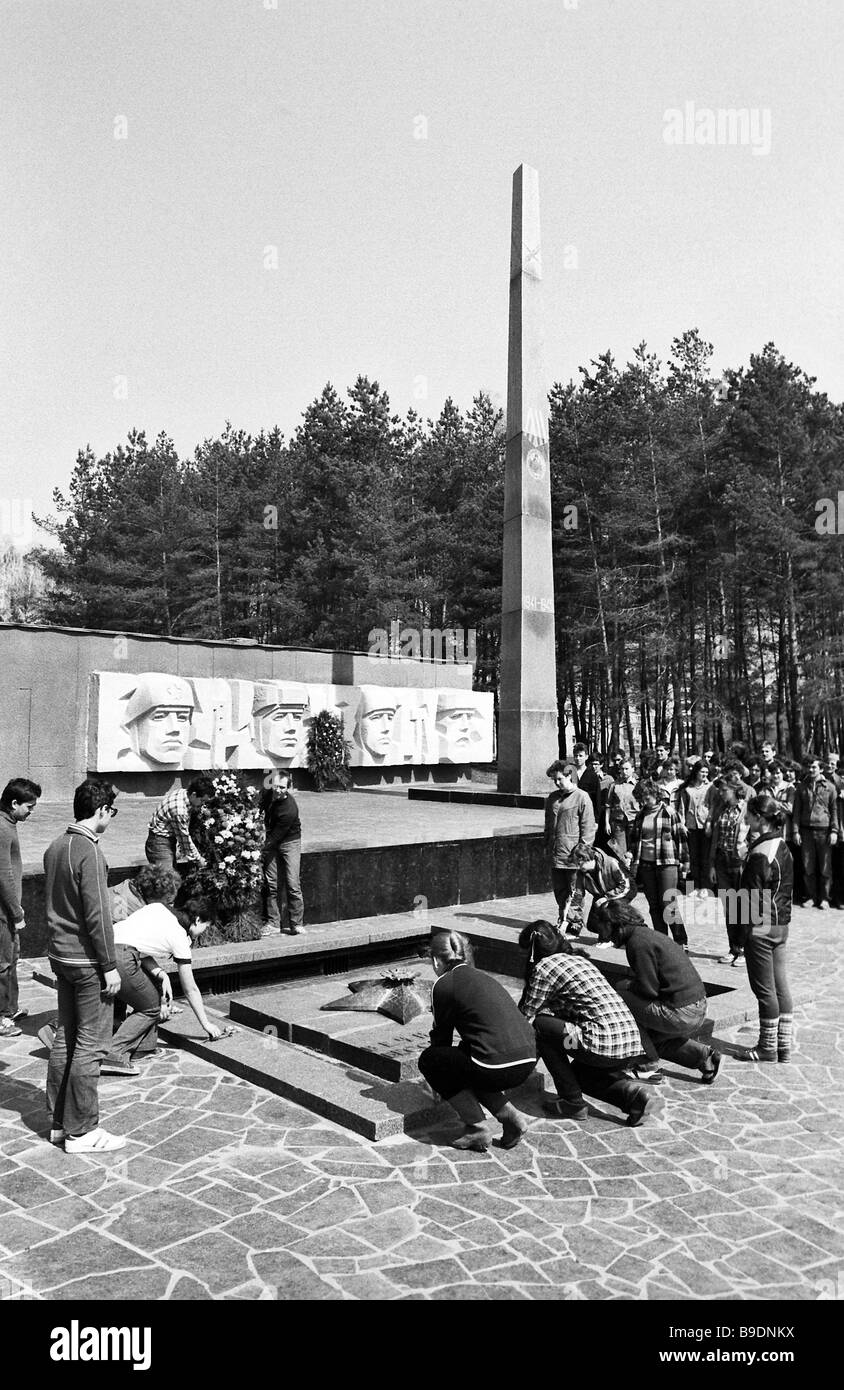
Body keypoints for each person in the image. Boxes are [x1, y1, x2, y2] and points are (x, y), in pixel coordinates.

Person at [43, 779, 125, 1153]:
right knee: (91, 1046)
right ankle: (83, 1131)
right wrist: (109, 964)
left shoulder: (56, 846)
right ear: (102, 810)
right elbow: (98, 915)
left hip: (60, 956)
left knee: (66, 1039)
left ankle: (59, 1124)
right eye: (113, 811)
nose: (112, 817)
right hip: (88, 960)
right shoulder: (89, 851)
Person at [517, 921, 658, 1126]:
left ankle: (572, 1102)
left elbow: (525, 1015)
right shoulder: (580, 960)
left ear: (531, 951)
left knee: (541, 1026)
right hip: (628, 1046)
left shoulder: (545, 967)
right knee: (580, 1076)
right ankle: (634, 1098)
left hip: (599, 1045)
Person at [417, 930, 536, 1152]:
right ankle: (511, 1117)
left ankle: (477, 1128)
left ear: (435, 961)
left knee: (431, 1060)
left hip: (495, 1066)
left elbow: (441, 1039)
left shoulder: (444, 984)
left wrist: (440, 1083)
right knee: (467, 1057)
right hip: (528, 1060)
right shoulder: (485, 976)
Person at [598, 901, 721, 1085]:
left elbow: (648, 989)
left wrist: (626, 985)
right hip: (696, 1006)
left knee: (619, 1000)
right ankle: (705, 1057)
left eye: (603, 929)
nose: (604, 936)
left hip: (682, 1012)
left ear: (611, 924)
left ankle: (647, 1067)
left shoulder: (637, 943)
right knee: (649, 1038)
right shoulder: (646, 935)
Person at [106, 893, 228, 1065]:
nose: (203, 933)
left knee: (149, 994)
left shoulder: (158, 907)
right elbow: (190, 988)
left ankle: (143, 1049)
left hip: (105, 950)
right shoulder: (179, 936)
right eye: (206, 927)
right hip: (122, 958)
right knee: (150, 1008)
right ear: (198, 920)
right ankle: (113, 1055)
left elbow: (138, 943)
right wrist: (206, 1023)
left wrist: (161, 974)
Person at [738, 794, 794, 1063]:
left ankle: (766, 1048)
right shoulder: (782, 844)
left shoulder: (760, 853)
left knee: (765, 990)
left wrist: (740, 935)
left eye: (748, 815)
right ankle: (783, 1046)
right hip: (781, 924)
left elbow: (749, 899)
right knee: (781, 986)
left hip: (760, 926)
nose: (745, 819)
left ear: (759, 818)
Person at [0, 778, 41, 1037]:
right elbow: (3, 874)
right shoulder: (2, 829)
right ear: (14, 803)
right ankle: (2, 1017)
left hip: (10, 909)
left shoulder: (9, 824)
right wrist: (16, 911)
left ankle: (10, 1007)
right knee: (3, 963)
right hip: (3, 911)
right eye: (29, 806)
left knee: (12, 958)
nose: (31, 811)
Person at [627, 778, 690, 947]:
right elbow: (634, 839)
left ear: (655, 794)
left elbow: (681, 840)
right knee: (654, 905)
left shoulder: (669, 812)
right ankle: (662, 941)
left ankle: (680, 940)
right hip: (646, 864)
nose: (644, 802)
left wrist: (685, 864)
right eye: (641, 798)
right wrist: (631, 854)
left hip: (667, 862)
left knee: (668, 903)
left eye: (647, 797)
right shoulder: (641, 815)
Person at [544, 761, 596, 935]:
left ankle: (574, 922)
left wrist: (582, 853)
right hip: (556, 853)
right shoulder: (552, 797)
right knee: (560, 890)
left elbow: (588, 829)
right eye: (554, 780)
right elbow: (548, 826)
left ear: (569, 776)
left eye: (559, 779)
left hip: (573, 855)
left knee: (576, 891)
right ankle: (563, 918)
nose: (556, 783)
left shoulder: (582, 797)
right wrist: (546, 846)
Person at [707, 771, 749, 964]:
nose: (721, 793)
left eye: (724, 790)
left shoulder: (745, 810)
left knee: (742, 907)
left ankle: (744, 950)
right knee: (729, 908)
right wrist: (712, 865)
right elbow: (715, 839)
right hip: (722, 862)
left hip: (740, 864)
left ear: (734, 790)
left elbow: (751, 837)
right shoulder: (720, 809)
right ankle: (733, 948)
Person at [260, 770, 305, 935]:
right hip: (272, 839)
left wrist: (260, 849)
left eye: (282, 787)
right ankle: (273, 923)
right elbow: (260, 808)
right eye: (276, 786)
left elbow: (277, 836)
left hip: (289, 842)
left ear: (288, 788)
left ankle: (296, 923)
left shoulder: (289, 809)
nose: (278, 790)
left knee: (293, 883)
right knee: (272, 883)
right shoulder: (268, 794)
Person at [793, 756, 838, 910]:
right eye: (809, 767)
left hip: (824, 832)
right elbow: (796, 811)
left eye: (814, 767)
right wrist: (795, 831)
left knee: (825, 867)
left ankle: (825, 898)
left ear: (821, 769)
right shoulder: (801, 787)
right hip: (806, 832)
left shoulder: (830, 787)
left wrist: (834, 831)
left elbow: (834, 810)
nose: (811, 770)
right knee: (808, 867)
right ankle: (810, 896)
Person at [145, 777, 214, 870]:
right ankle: (135, 884)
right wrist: (199, 859)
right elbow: (184, 838)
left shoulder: (183, 792)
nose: (203, 804)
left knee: (165, 877)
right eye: (202, 801)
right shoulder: (179, 810)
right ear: (194, 795)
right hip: (159, 844)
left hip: (166, 840)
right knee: (167, 879)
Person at [578, 846, 636, 946]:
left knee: (607, 911)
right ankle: (617, 932)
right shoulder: (581, 872)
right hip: (602, 892)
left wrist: (607, 898)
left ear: (587, 859)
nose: (577, 865)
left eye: (579, 862)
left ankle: (607, 940)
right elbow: (576, 893)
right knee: (592, 924)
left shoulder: (610, 862)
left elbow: (625, 885)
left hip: (625, 889)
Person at [676, 760, 714, 893]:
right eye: (702, 771)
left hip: (705, 826)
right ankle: (696, 885)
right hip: (691, 826)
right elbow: (681, 807)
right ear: (696, 772)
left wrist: (709, 822)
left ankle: (705, 886)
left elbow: (713, 807)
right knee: (693, 857)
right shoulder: (686, 788)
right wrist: (682, 824)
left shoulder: (710, 787)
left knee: (705, 857)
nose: (704, 774)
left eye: (706, 772)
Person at [604, 756, 640, 860]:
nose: (624, 772)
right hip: (618, 822)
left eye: (627, 769)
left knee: (633, 850)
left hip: (634, 821)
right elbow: (608, 805)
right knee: (619, 851)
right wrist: (607, 823)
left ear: (633, 769)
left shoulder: (638, 785)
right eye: (622, 769)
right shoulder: (614, 785)